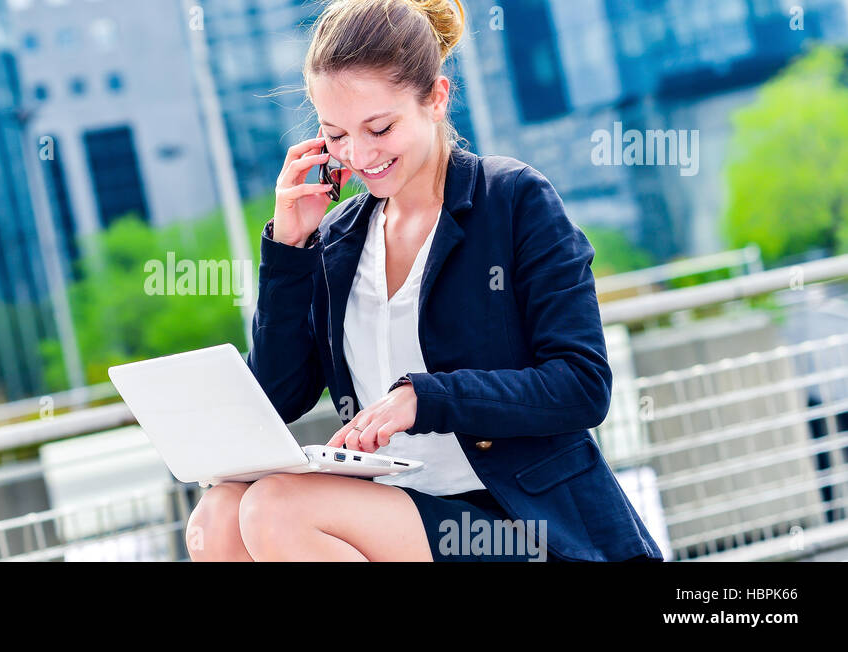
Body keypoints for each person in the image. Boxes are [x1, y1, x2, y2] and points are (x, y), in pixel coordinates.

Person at [185, 0, 664, 562]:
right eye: (335, 135)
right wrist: (290, 250)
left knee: (276, 508)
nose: (359, 155)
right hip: (397, 511)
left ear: (436, 98)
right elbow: (279, 396)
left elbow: (582, 385)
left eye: (379, 127)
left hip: (519, 525)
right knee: (219, 513)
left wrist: (426, 398)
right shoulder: (339, 237)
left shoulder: (511, 201)